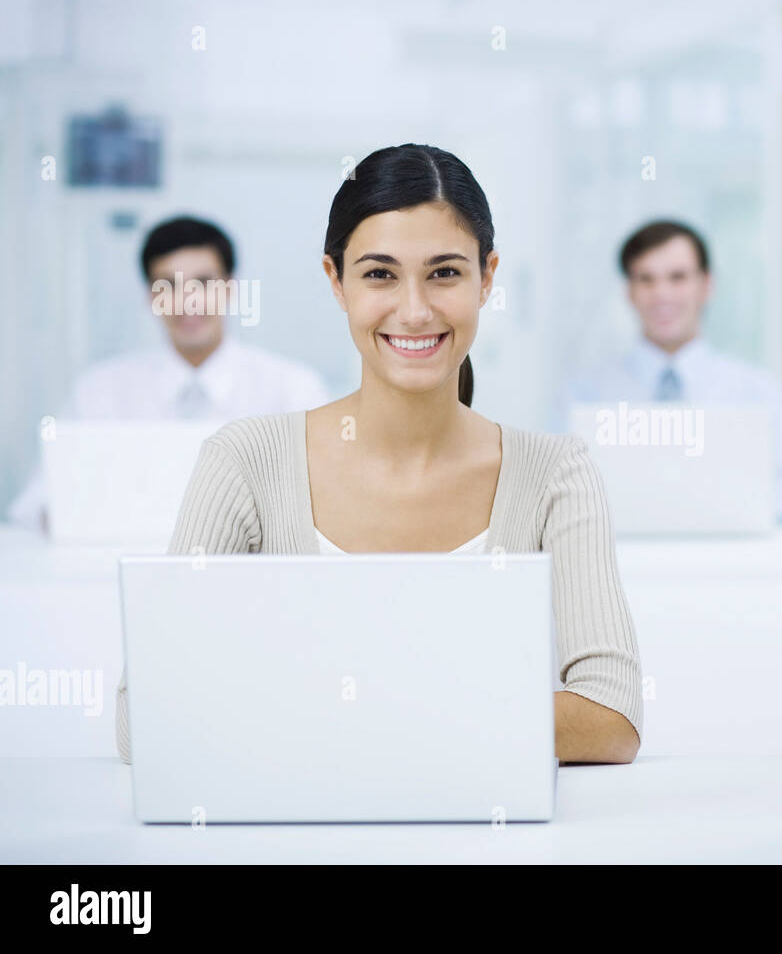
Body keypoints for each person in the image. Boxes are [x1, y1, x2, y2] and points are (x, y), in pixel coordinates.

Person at [115, 145, 642, 765]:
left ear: (487, 278)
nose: (414, 310)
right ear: (336, 281)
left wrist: (339, 705)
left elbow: (611, 717)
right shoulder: (246, 462)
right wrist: (465, 709)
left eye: (445, 272)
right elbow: (144, 713)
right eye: (379, 274)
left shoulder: (555, 473)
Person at [5, 216, 331, 531]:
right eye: (169, 286)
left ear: (230, 289)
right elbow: (36, 505)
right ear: (151, 298)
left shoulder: (294, 390)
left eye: (204, 283)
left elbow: (329, 502)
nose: (188, 302)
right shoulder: (97, 392)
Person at [569, 219, 782, 521]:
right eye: (646, 279)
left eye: (678, 277)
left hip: (730, 563)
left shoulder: (759, 392)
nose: (662, 294)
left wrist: (702, 506)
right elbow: (559, 493)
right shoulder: (583, 395)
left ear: (706, 285)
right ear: (629, 291)